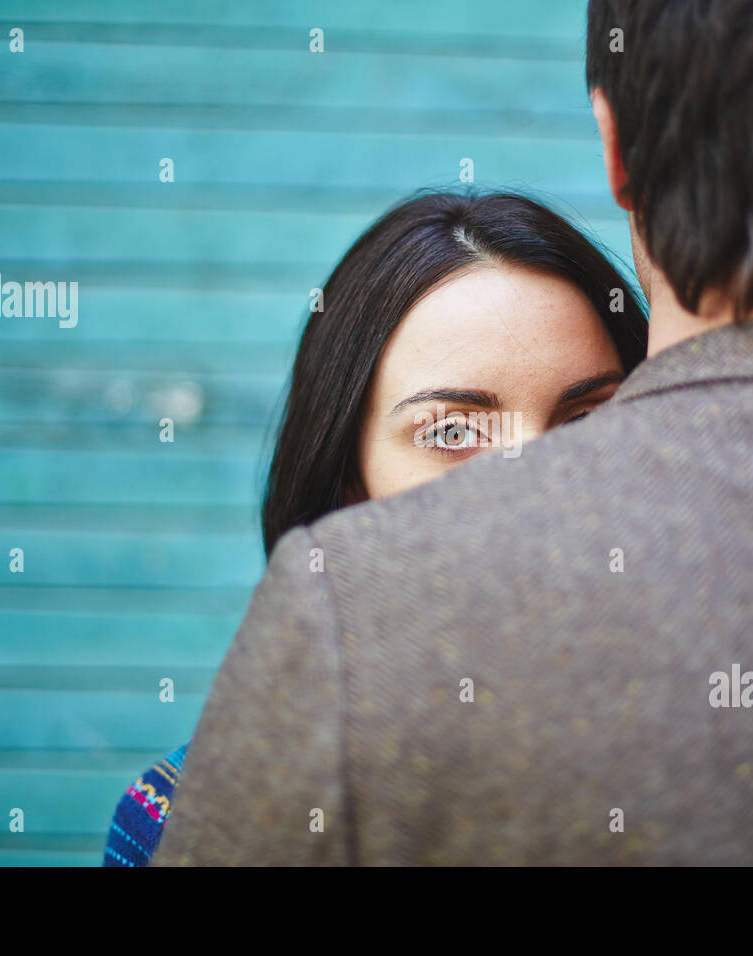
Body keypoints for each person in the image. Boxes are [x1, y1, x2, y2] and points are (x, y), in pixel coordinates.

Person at [154, 0, 753, 866]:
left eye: (584, 412)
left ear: (614, 146)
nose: (523, 468)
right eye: (453, 427)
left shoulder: (356, 618)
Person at [103, 190, 648, 865]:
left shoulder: (719, 766)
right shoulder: (183, 814)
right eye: (452, 430)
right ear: (347, 479)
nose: (534, 486)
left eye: (587, 421)